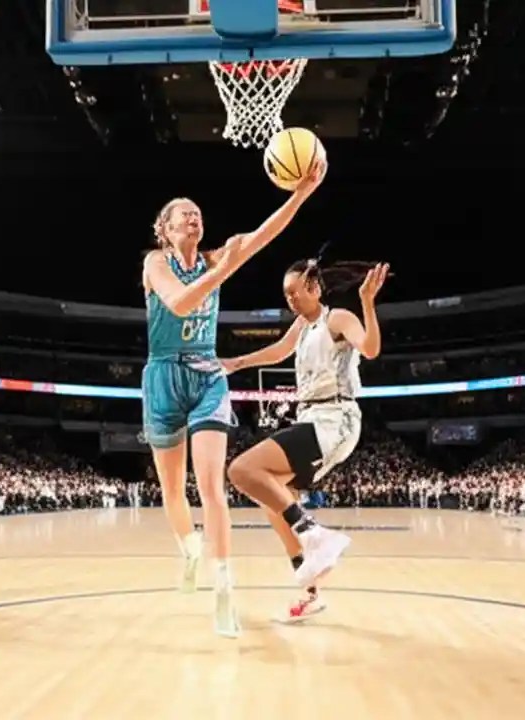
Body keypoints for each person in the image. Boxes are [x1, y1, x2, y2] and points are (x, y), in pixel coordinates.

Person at [142, 159, 326, 638]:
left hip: (206, 372)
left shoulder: (216, 255)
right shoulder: (155, 263)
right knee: (171, 488)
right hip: (163, 374)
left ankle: (224, 593)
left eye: (197, 212)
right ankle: (189, 550)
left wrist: (301, 193)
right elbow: (180, 302)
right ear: (164, 228)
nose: (193, 217)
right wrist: (224, 269)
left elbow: (266, 233)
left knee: (212, 487)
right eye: (183, 213)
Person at [222, 258, 388, 623]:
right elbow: (278, 351)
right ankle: (311, 590)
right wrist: (236, 363)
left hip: (336, 419)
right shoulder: (302, 325)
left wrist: (368, 304)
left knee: (242, 469)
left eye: (294, 292)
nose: (290, 300)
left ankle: (313, 532)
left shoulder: (338, 319)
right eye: (285, 295)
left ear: (314, 289)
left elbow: (372, 348)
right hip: (312, 417)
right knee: (271, 498)